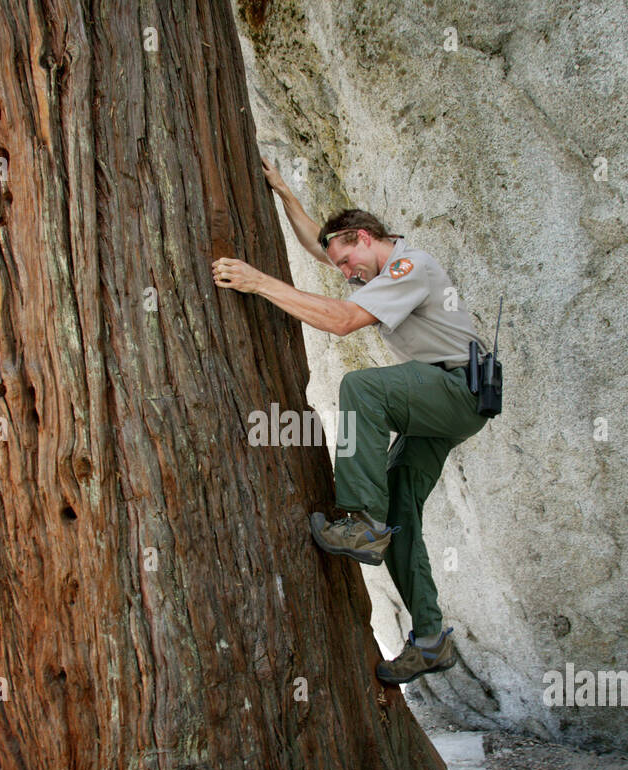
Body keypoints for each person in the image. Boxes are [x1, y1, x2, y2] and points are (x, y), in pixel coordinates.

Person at [211, 156, 493, 685]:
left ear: (366, 237)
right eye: (340, 267)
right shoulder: (372, 263)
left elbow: (342, 323)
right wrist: (283, 193)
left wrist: (257, 282)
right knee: (402, 510)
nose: (344, 274)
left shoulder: (410, 266)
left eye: (346, 262)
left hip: (458, 389)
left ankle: (361, 522)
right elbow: (320, 244)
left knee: (362, 386)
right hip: (450, 404)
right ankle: (430, 640)